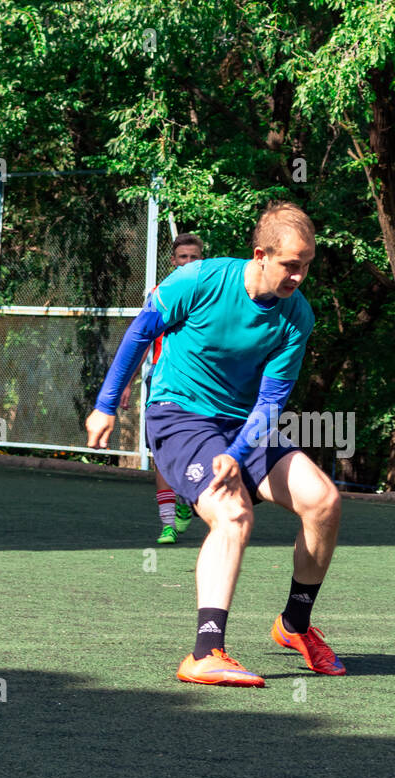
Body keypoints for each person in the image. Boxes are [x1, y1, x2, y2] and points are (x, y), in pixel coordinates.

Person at [86, 202, 345, 686]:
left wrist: (238, 452)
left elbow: (271, 399)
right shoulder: (199, 281)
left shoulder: (297, 316)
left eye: (307, 265)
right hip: (179, 417)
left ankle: (294, 625)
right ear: (261, 254)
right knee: (232, 513)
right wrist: (105, 404)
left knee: (323, 501)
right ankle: (206, 652)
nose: (299, 276)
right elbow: (140, 333)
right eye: (291, 264)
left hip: (244, 426)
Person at [119, 232, 204, 544]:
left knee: (195, 447)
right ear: (173, 260)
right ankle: (168, 523)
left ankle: (186, 496)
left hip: (199, 383)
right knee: (160, 453)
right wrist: (126, 383)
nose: (188, 262)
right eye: (183, 257)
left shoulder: (210, 293)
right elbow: (141, 338)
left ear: (202, 259)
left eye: (194, 257)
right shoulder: (160, 293)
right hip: (161, 382)